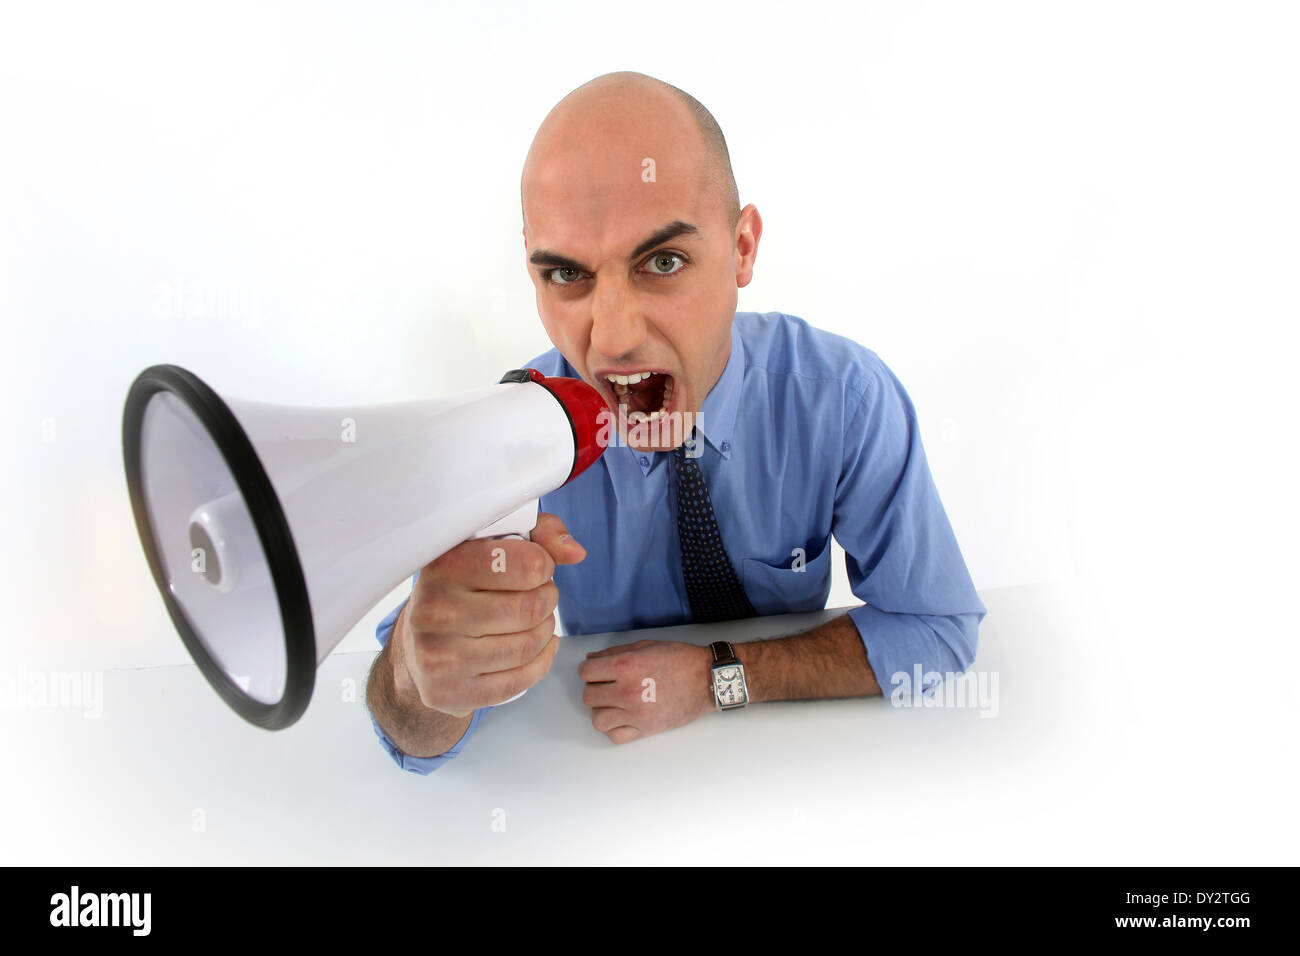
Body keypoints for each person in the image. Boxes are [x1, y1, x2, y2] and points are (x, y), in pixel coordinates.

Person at [365, 71, 986, 773]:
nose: (615, 339)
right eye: (567, 276)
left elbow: (937, 628)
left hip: (807, 785)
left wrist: (721, 676)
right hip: (606, 789)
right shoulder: (508, 437)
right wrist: (422, 680)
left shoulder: (843, 399)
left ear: (743, 248)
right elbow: (410, 732)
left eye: (663, 261)